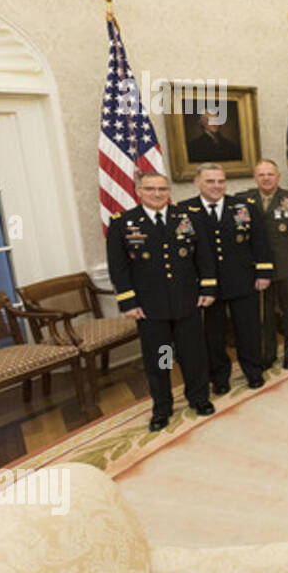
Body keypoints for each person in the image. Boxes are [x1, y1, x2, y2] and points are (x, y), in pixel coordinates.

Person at [105, 171, 216, 431]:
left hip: (187, 300)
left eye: (162, 189)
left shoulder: (186, 217)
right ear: (139, 191)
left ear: (169, 192)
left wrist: (208, 288)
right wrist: (128, 302)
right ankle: (162, 408)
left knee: (193, 355)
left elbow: (204, 257)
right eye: (151, 189)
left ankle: (199, 398)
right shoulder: (124, 222)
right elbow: (118, 267)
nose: (157, 194)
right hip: (150, 308)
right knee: (160, 359)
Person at [178, 163, 271, 397]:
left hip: (243, 280)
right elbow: (183, 252)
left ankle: (253, 370)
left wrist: (263, 273)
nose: (217, 186)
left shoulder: (243, 207)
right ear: (197, 183)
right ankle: (219, 377)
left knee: (248, 330)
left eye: (220, 181)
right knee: (213, 335)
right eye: (210, 181)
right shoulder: (184, 211)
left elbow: (259, 242)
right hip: (207, 288)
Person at [242, 159, 288, 370]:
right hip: (258, 270)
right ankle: (268, 353)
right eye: (261, 175)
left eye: (270, 174)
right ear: (255, 177)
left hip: (287, 267)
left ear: (278, 176)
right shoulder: (244, 201)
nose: (266, 178)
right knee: (265, 317)